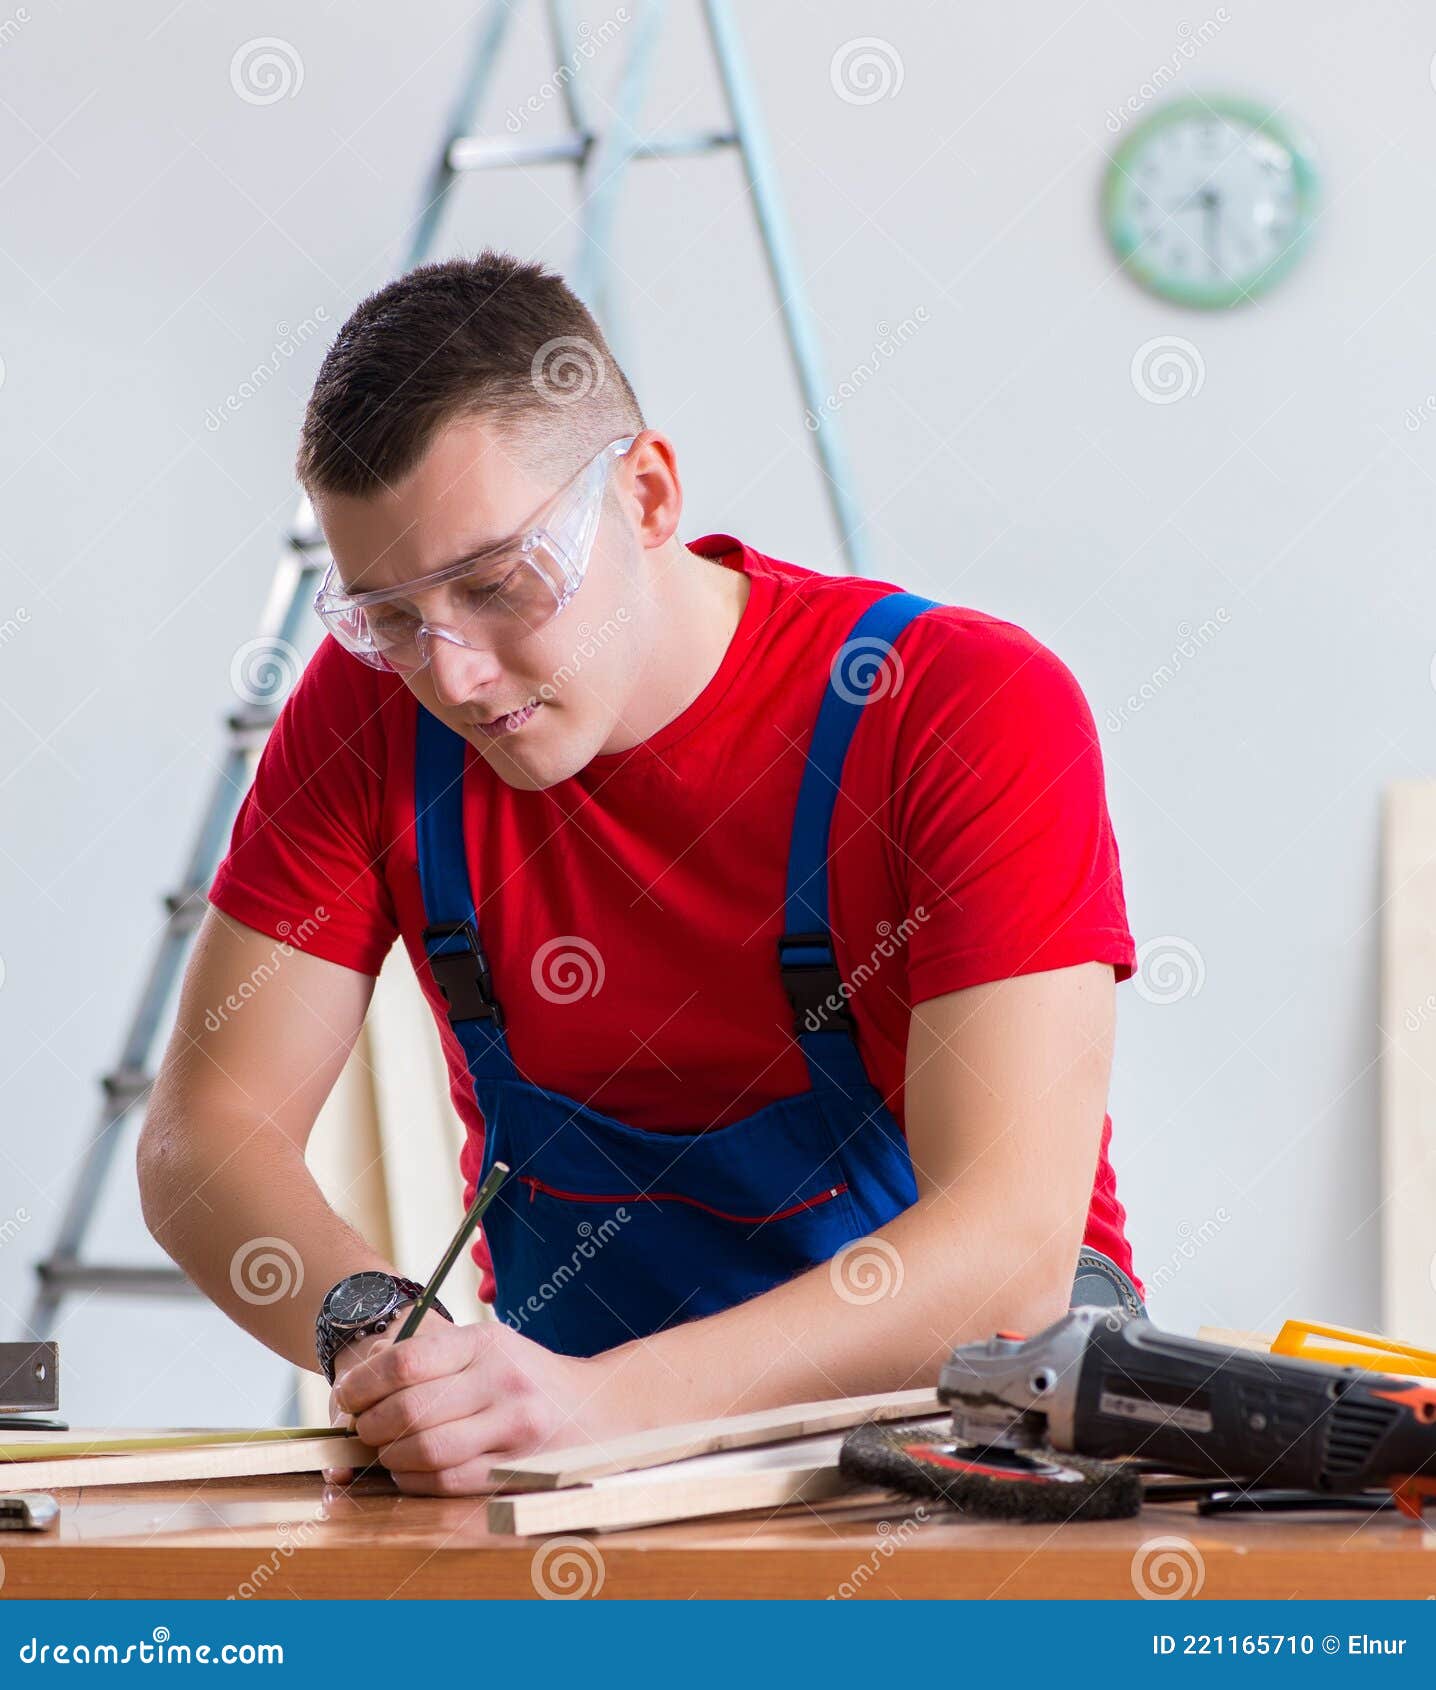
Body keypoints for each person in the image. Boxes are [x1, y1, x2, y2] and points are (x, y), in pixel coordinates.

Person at [139, 249, 1144, 1496]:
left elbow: (1006, 1257)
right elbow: (203, 1139)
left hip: (961, 1463)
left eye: (497, 585)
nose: (450, 674)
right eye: (388, 616)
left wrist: (600, 1405)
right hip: (585, 1500)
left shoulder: (954, 707)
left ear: (649, 492)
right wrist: (385, 1337)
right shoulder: (368, 718)